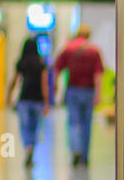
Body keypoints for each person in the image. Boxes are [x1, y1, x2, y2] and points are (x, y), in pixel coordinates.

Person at [53, 26, 104, 167]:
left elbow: (57, 68)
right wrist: (98, 94)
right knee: (87, 124)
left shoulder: (68, 49)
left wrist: (56, 86)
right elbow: (98, 75)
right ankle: (84, 156)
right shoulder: (94, 50)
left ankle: (75, 149)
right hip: (89, 91)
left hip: (73, 90)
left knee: (73, 122)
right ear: (88, 35)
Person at [6, 35, 50, 167]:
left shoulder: (21, 63)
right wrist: (46, 102)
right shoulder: (41, 64)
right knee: (35, 127)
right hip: (37, 100)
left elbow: (14, 81)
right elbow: (44, 85)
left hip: (24, 99)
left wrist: (8, 96)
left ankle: (28, 147)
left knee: (25, 127)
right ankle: (32, 148)